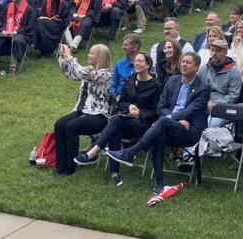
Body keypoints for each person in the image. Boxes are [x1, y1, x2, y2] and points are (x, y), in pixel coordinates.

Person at [104, 51, 210, 200]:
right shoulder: (173, 80)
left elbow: (191, 111)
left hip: (189, 130)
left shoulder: (203, 88)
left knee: (163, 122)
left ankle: (130, 153)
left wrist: (171, 118)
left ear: (196, 67)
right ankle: (159, 182)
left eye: (188, 62)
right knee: (158, 136)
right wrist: (172, 119)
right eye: (183, 62)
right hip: (169, 125)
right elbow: (160, 107)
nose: (184, 65)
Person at [75, 50, 162, 187]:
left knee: (116, 121)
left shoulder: (156, 85)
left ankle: (93, 152)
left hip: (143, 125)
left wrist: (139, 112)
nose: (136, 63)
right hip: (126, 121)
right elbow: (120, 103)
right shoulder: (130, 80)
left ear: (148, 64)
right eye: (135, 61)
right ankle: (115, 174)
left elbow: (156, 111)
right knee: (115, 130)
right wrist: (129, 107)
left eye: (140, 61)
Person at [51, 43, 114, 177]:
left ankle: (71, 167)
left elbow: (81, 73)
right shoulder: (88, 70)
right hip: (82, 111)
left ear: (100, 57)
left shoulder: (106, 74)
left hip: (99, 116)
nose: (88, 55)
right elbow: (72, 74)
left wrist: (70, 57)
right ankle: (60, 165)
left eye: (92, 53)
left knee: (71, 126)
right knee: (60, 124)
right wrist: (63, 58)